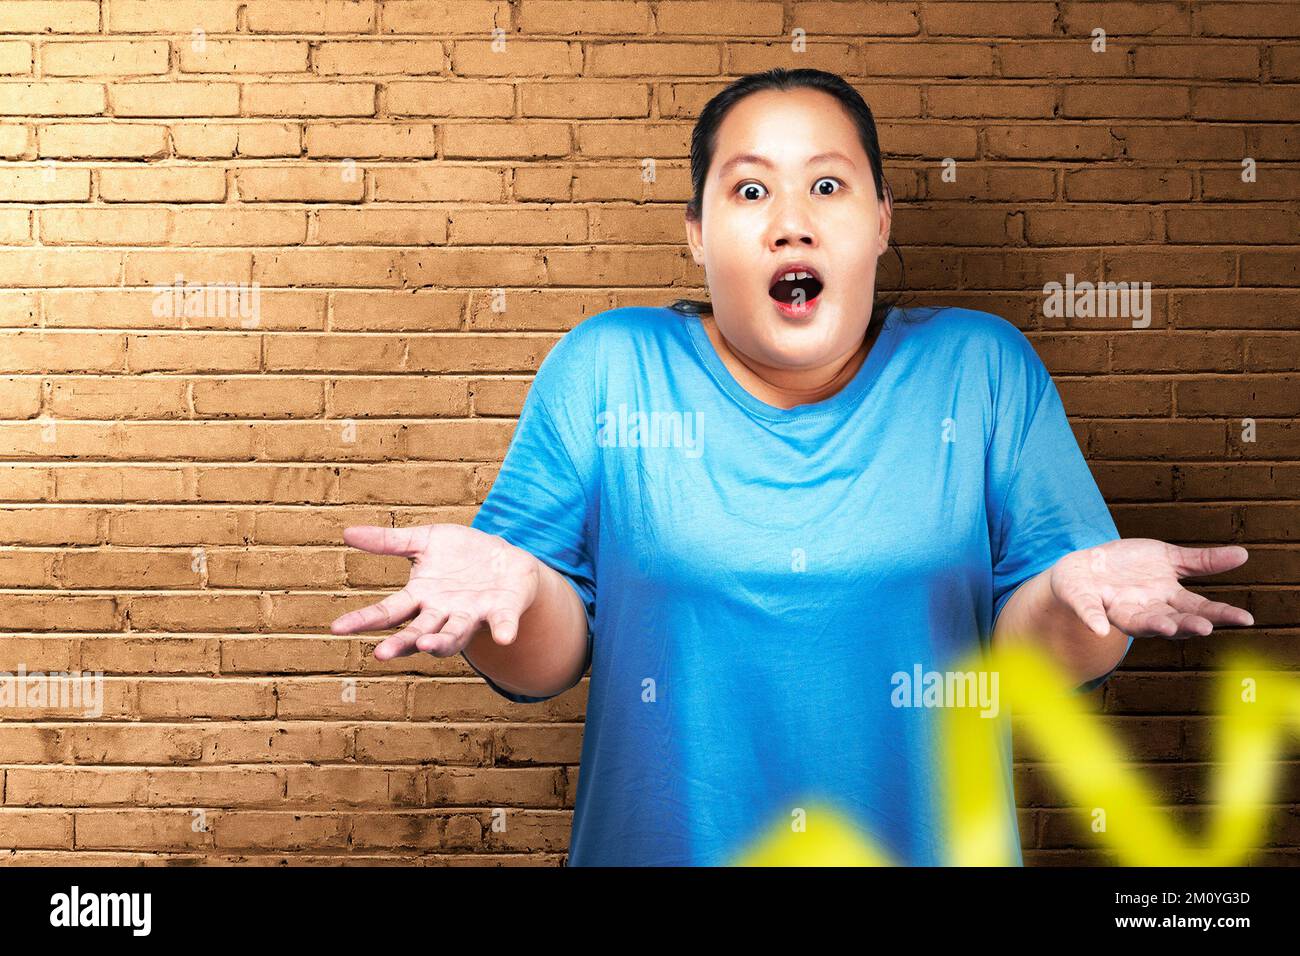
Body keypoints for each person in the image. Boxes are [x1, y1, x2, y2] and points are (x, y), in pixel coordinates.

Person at [329, 68, 1254, 866]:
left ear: (882, 220)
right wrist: (518, 593)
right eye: (750, 192)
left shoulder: (979, 368)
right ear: (695, 231)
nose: (791, 225)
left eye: (827, 186)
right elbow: (547, 664)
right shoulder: (609, 366)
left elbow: (1030, 660)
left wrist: (1076, 599)